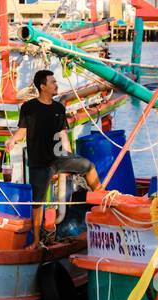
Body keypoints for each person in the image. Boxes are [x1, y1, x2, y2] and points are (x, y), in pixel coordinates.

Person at [6, 69, 101, 242]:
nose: (56, 85)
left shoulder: (58, 108)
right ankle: (36, 241)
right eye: (53, 82)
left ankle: (104, 206)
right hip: (39, 163)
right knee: (38, 203)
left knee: (89, 166)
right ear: (43, 87)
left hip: (59, 158)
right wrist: (12, 140)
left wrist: (69, 154)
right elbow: (22, 131)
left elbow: (62, 134)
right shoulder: (29, 108)